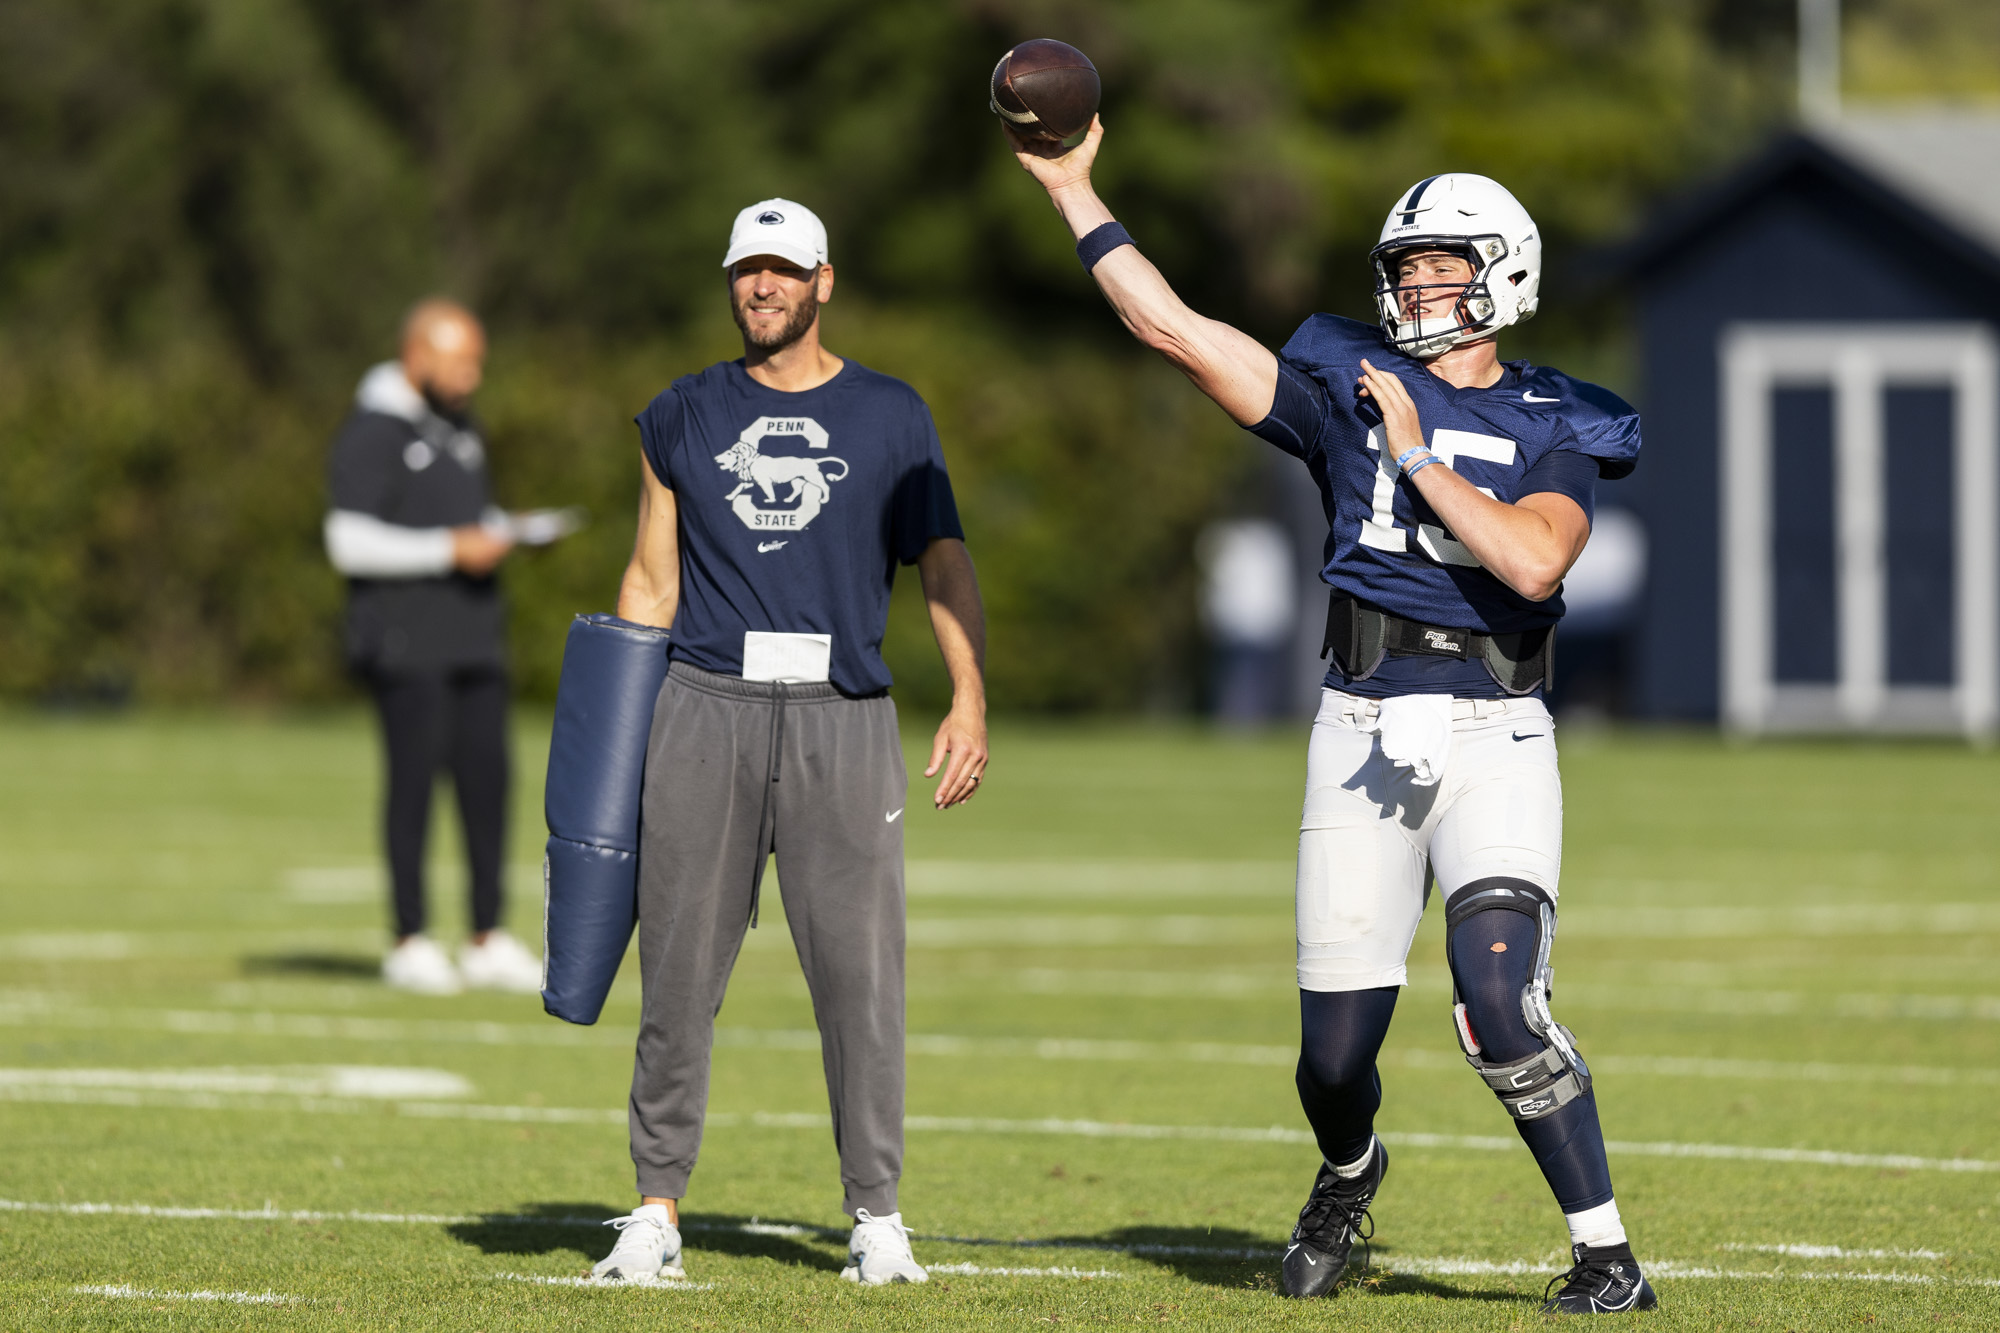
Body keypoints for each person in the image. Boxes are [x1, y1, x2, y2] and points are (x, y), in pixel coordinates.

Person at [1006, 124, 1657, 1315]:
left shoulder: (1555, 420)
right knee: (1331, 1058)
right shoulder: (1350, 396)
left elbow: (1528, 563)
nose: (1414, 286)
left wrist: (1417, 465)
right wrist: (1073, 188)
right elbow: (1173, 328)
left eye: (1438, 265)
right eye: (1402, 267)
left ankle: (1605, 1254)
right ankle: (1350, 1170)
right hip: (1357, 731)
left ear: (1502, 271)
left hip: (1493, 735)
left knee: (1499, 1004)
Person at [588, 199, 989, 1287]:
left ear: (822, 280)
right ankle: (655, 1209)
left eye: (780, 269)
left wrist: (968, 693)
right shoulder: (679, 413)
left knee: (861, 982)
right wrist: (607, 744)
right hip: (702, 707)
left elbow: (940, 563)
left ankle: (876, 1215)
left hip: (842, 716)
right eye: (743, 270)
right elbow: (648, 579)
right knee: (674, 976)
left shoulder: (893, 416)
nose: (759, 287)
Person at [323, 299, 544, 996]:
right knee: (413, 786)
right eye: (460, 360)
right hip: (406, 642)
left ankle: (486, 934)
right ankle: (409, 937)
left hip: (474, 640)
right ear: (418, 354)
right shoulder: (371, 431)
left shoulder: (459, 428)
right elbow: (347, 541)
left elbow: (463, 519)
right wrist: (450, 548)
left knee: (489, 787)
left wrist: (504, 532)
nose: (473, 376)